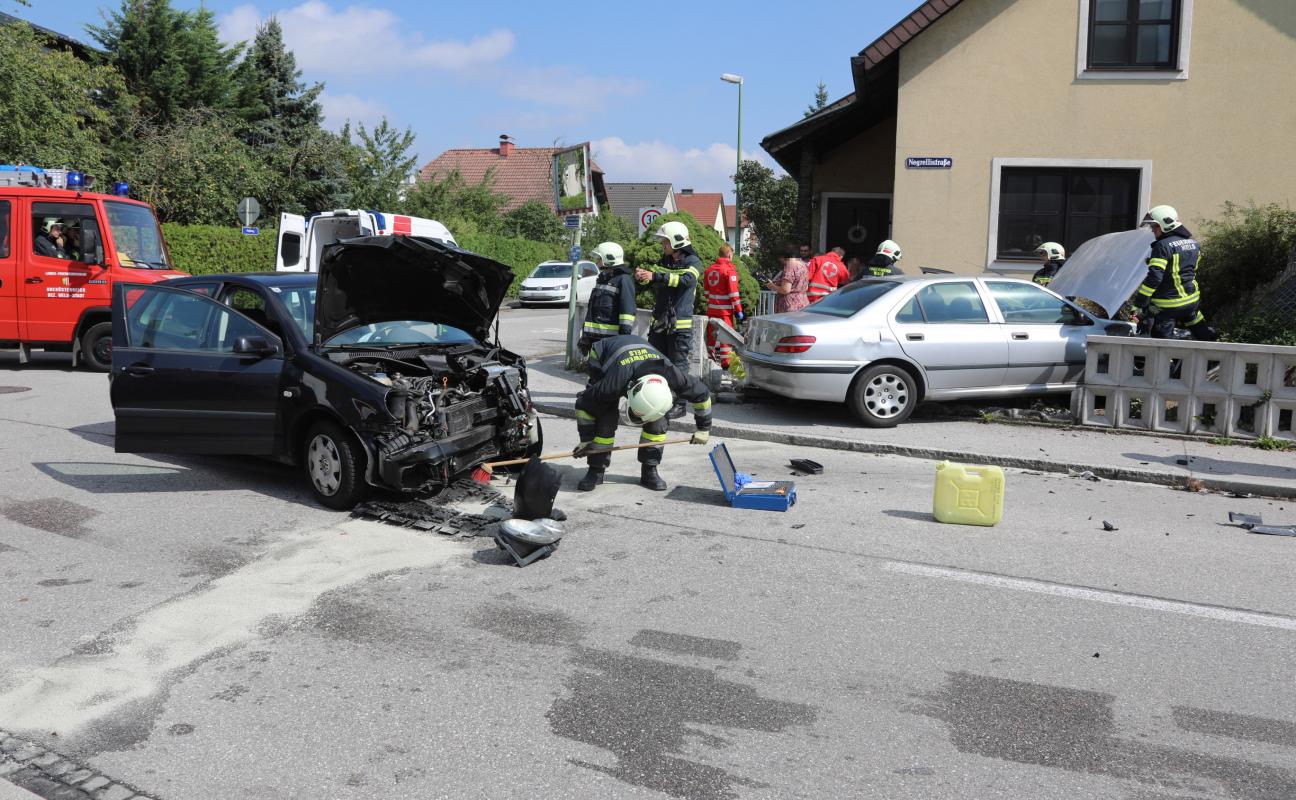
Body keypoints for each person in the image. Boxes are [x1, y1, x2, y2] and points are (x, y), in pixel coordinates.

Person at [572, 334, 713, 492]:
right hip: (603, 355)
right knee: (605, 417)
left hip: (637, 363)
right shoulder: (611, 385)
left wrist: (703, 428)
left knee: (658, 421)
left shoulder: (673, 374)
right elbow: (583, 405)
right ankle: (596, 469)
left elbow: (703, 395)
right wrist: (586, 439)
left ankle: (649, 469)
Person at [634, 220, 701, 417]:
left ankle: (680, 405)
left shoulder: (693, 262)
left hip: (679, 326)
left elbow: (685, 280)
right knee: (655, 362)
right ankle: (658, 399)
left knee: (678, 365)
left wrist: (655, 276)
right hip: (660, 322)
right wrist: (643, 276)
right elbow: (658, 277)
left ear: (677, 242)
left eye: (665, 242)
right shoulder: (665, 262)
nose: (663, 245)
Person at [1135, 204, 1216, 340]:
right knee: (1198, 325)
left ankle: (1168, 360)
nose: (1153, 231)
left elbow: (1154, 278)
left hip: (1167, 305)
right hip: (1191, 301)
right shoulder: (1193, 243)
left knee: (1162, 339)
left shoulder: (1162, 246)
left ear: (1166, 225)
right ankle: (1214, 356)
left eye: (1155, 226)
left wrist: (1139, 303)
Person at [578, 242, 637, 357]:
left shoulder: (624, 280)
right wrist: (586, 336)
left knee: (607, 371)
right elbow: (593, 309)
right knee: (595, 370)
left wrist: (624, 338)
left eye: (599, 258)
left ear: (609, 259)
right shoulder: (602, 278)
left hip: (611, 340)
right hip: (595, 339)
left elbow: (627, 311)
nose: (597, 262)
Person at [703, 243, 744, 369]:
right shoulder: (729, 271)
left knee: (711, 336)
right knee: (726, 337)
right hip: (725, 312)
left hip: (711, 310)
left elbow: (706, 293)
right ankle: (726, 363)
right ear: (729, 254)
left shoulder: (709, 270)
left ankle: (709, 360)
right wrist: (739, 311)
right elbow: (734, 294)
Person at [766, 245, 809, 313]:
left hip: (790, 305)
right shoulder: (803, 265)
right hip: (803, 302)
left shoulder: (790, 266)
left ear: (783, 256)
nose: (779, 260)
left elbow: (785, 290)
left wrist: (772, 286)